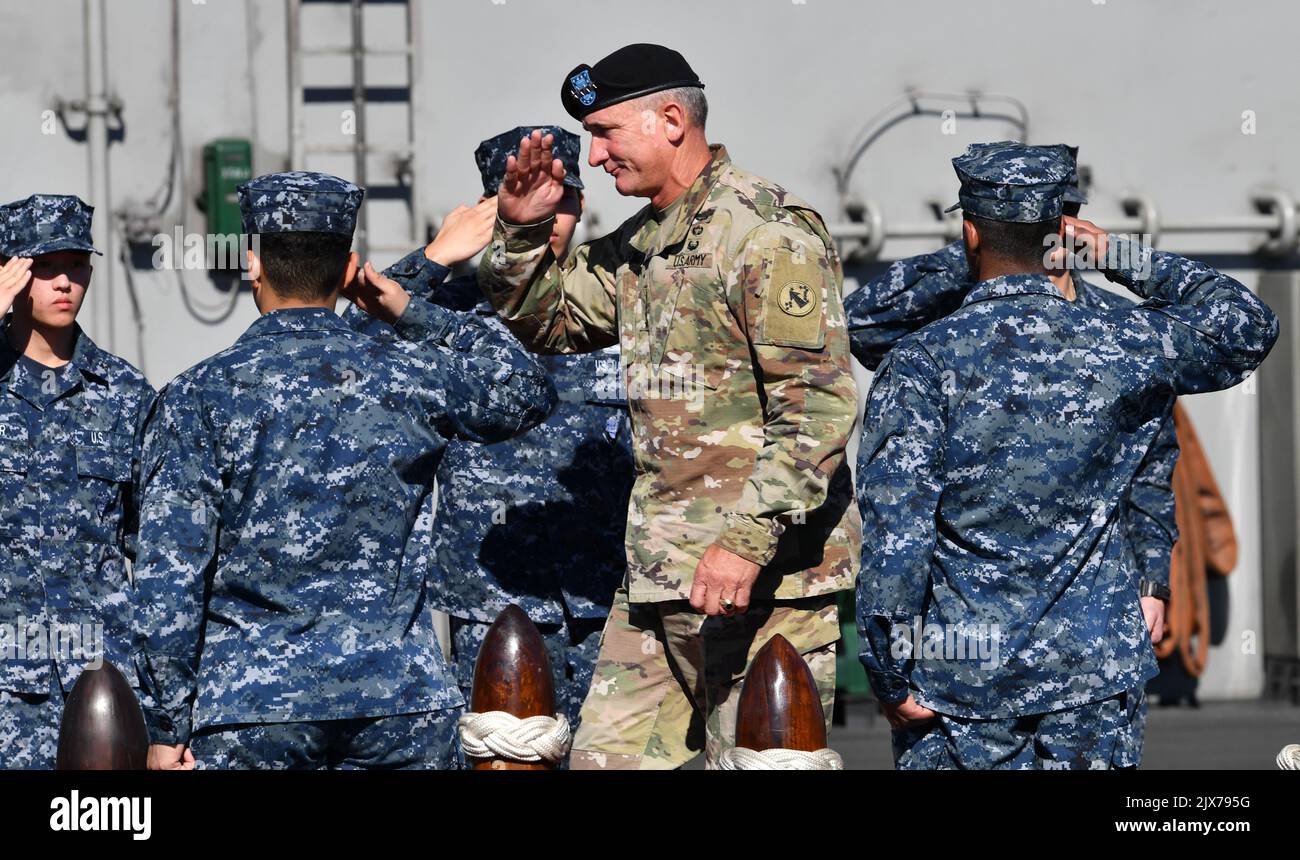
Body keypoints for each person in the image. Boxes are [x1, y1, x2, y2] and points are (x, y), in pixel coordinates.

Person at [478, 43, 861, 769]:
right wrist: (523, 229)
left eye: (607, 134)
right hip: (662, 579)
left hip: (762, 587)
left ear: (672, 120)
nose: (594, 158)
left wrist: (745, 543)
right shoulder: (642, 245)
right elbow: (548, 319)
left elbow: (815, 409)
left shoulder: (764, 232)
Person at [855, 141, 1278, 769]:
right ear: (1071, 226)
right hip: (1092, 666)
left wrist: (888, 672)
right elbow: (1247, 325)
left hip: (964, 674)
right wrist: (1118, 255)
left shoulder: (923, 360)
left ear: (969, 229)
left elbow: (898, 538)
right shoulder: (1133, 342)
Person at [132, 171, 556, 770]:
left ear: (254, 265)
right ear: (351, 265)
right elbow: (526, 390)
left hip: (253, 709)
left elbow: (168, 578)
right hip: (398, 705)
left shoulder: (199, 395)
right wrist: (413, 313)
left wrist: (167, 724)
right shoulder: (406, 373)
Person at [343, 126, 631, 728]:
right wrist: (434, 258)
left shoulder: (615, 303)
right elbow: (347, 360)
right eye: (529, 197)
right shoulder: (443, 309)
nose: (550, 214)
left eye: (564, 198)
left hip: (606, 597)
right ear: (492, 209)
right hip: (491, 604)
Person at [0, 194, 155, 770]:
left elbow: (161, 555)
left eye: (77, 265)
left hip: (104, 686)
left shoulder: (124, 394)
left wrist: (165, 718)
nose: (65, 282)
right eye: (44, 267)